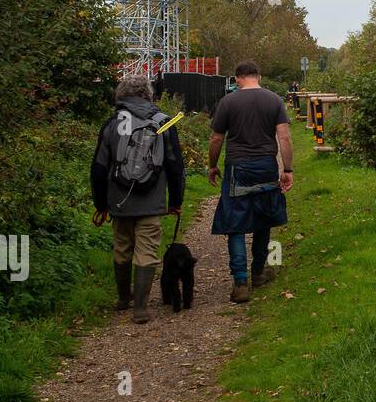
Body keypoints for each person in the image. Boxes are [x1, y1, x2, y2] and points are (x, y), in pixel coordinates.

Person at [90, 75, 185, 324]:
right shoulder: (162, 122)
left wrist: (100, 204)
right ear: (148, 95)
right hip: (152, 200)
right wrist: (175, 200)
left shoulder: (112, 123)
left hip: (119, 200)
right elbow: (175, 166)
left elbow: (99, 168)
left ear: (121, 96)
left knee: (122, 249)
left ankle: (124, 298)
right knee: (148, 251)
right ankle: (140, 308)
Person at [207, 61, 293, 303]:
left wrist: (212, 165)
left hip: (237, 168)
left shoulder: (228, 102)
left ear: (237, 79)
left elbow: (216, 139)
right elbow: (284, 138)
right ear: (260, 76)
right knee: (263, 218)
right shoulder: (274, 100)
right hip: (266, 165)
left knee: (235, 223)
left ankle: (241, 282)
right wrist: (287, 169)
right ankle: (258, 272)